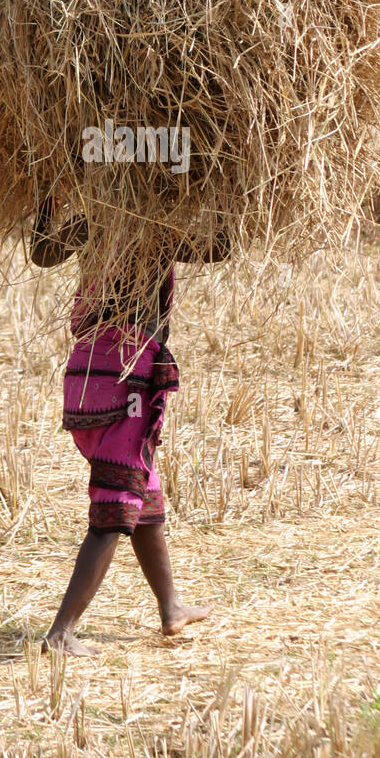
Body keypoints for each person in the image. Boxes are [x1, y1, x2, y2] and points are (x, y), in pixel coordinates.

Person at [30, 197, 229, 654]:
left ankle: (171, 607)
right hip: (126, 380)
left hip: (86, 377)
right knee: (115, 509)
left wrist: (45, 195)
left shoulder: (92, 220)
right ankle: (61, 632)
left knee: (145, 501)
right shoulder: (153, 225)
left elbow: (42, 251)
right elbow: (219, 245)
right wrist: (225, 191)